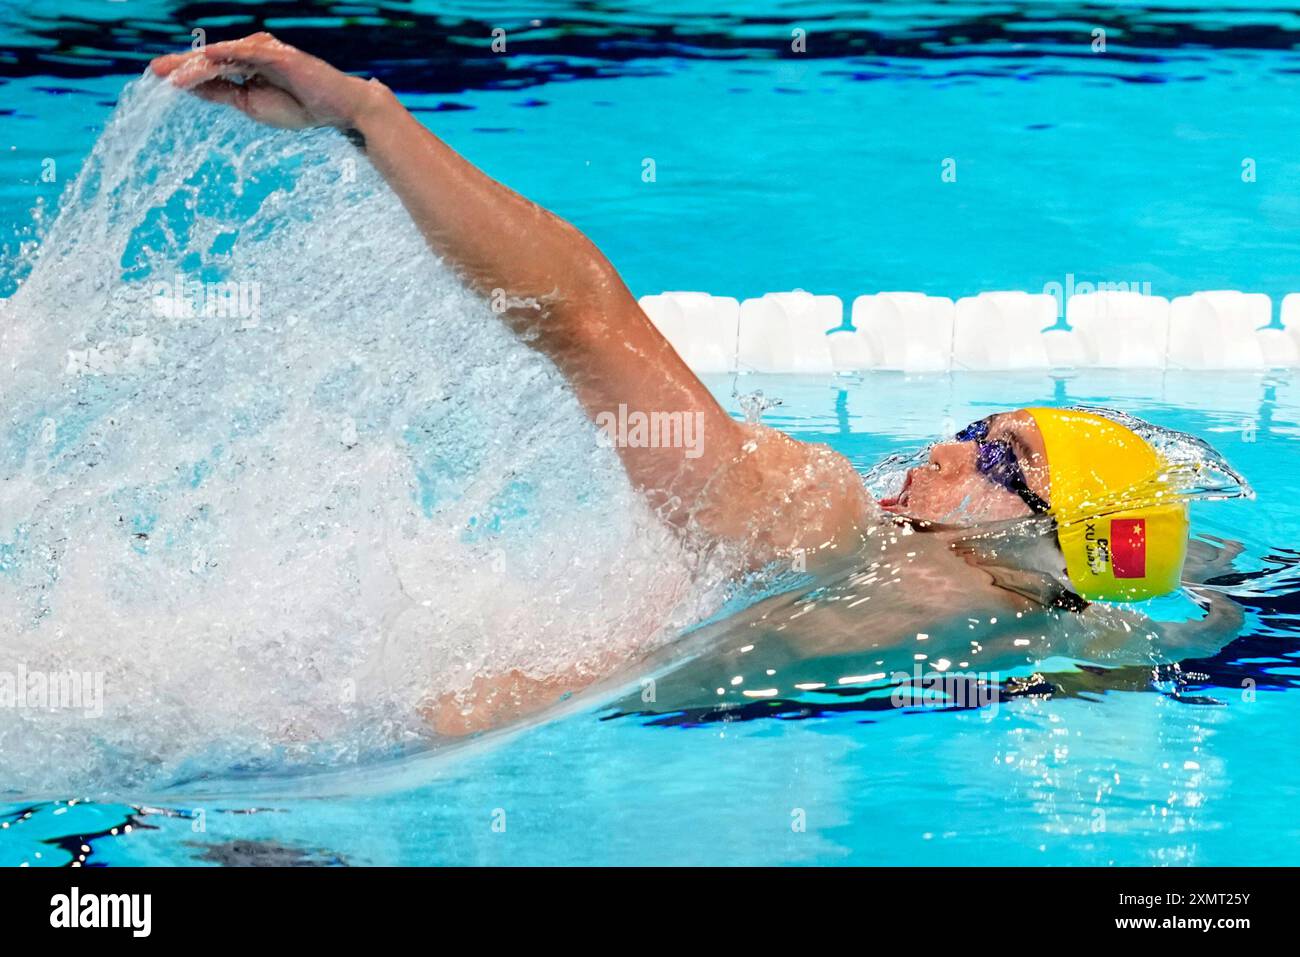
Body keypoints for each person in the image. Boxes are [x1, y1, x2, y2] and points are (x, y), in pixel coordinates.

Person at [149, 35, 1245, 735]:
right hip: (382, 734)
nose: (946, 449)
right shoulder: (1060, 633)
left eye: (998, 456)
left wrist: (371, 118)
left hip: (329, 740)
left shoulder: (821, 522)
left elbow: (581, 323)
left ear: (1039, 536)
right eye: (973, 425)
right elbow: (1188, 588)